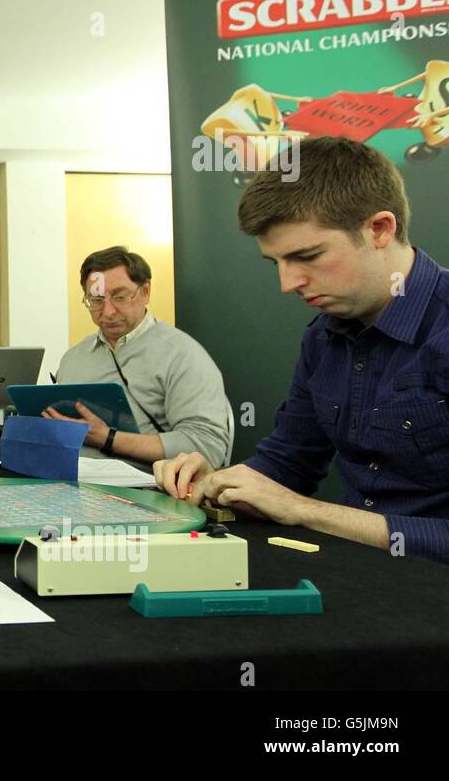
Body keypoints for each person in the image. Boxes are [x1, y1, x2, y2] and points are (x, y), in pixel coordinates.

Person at [156, 136, 449, 564]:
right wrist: (218, 484)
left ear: (379, 229)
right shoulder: (322, 338)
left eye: (307, 256)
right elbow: (290, 461)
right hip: (360, 583)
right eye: (276, 263)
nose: (288, 283)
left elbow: (294, 499)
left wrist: (304, 511)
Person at [47, 246, 232, 468]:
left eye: (120, 297)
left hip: (147, 490)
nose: (108, 312)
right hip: (70, 483)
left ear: (145, 292)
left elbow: (208, 446)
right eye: (96, 300)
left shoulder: (182, 355)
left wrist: (109, 438)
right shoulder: (73, 358)